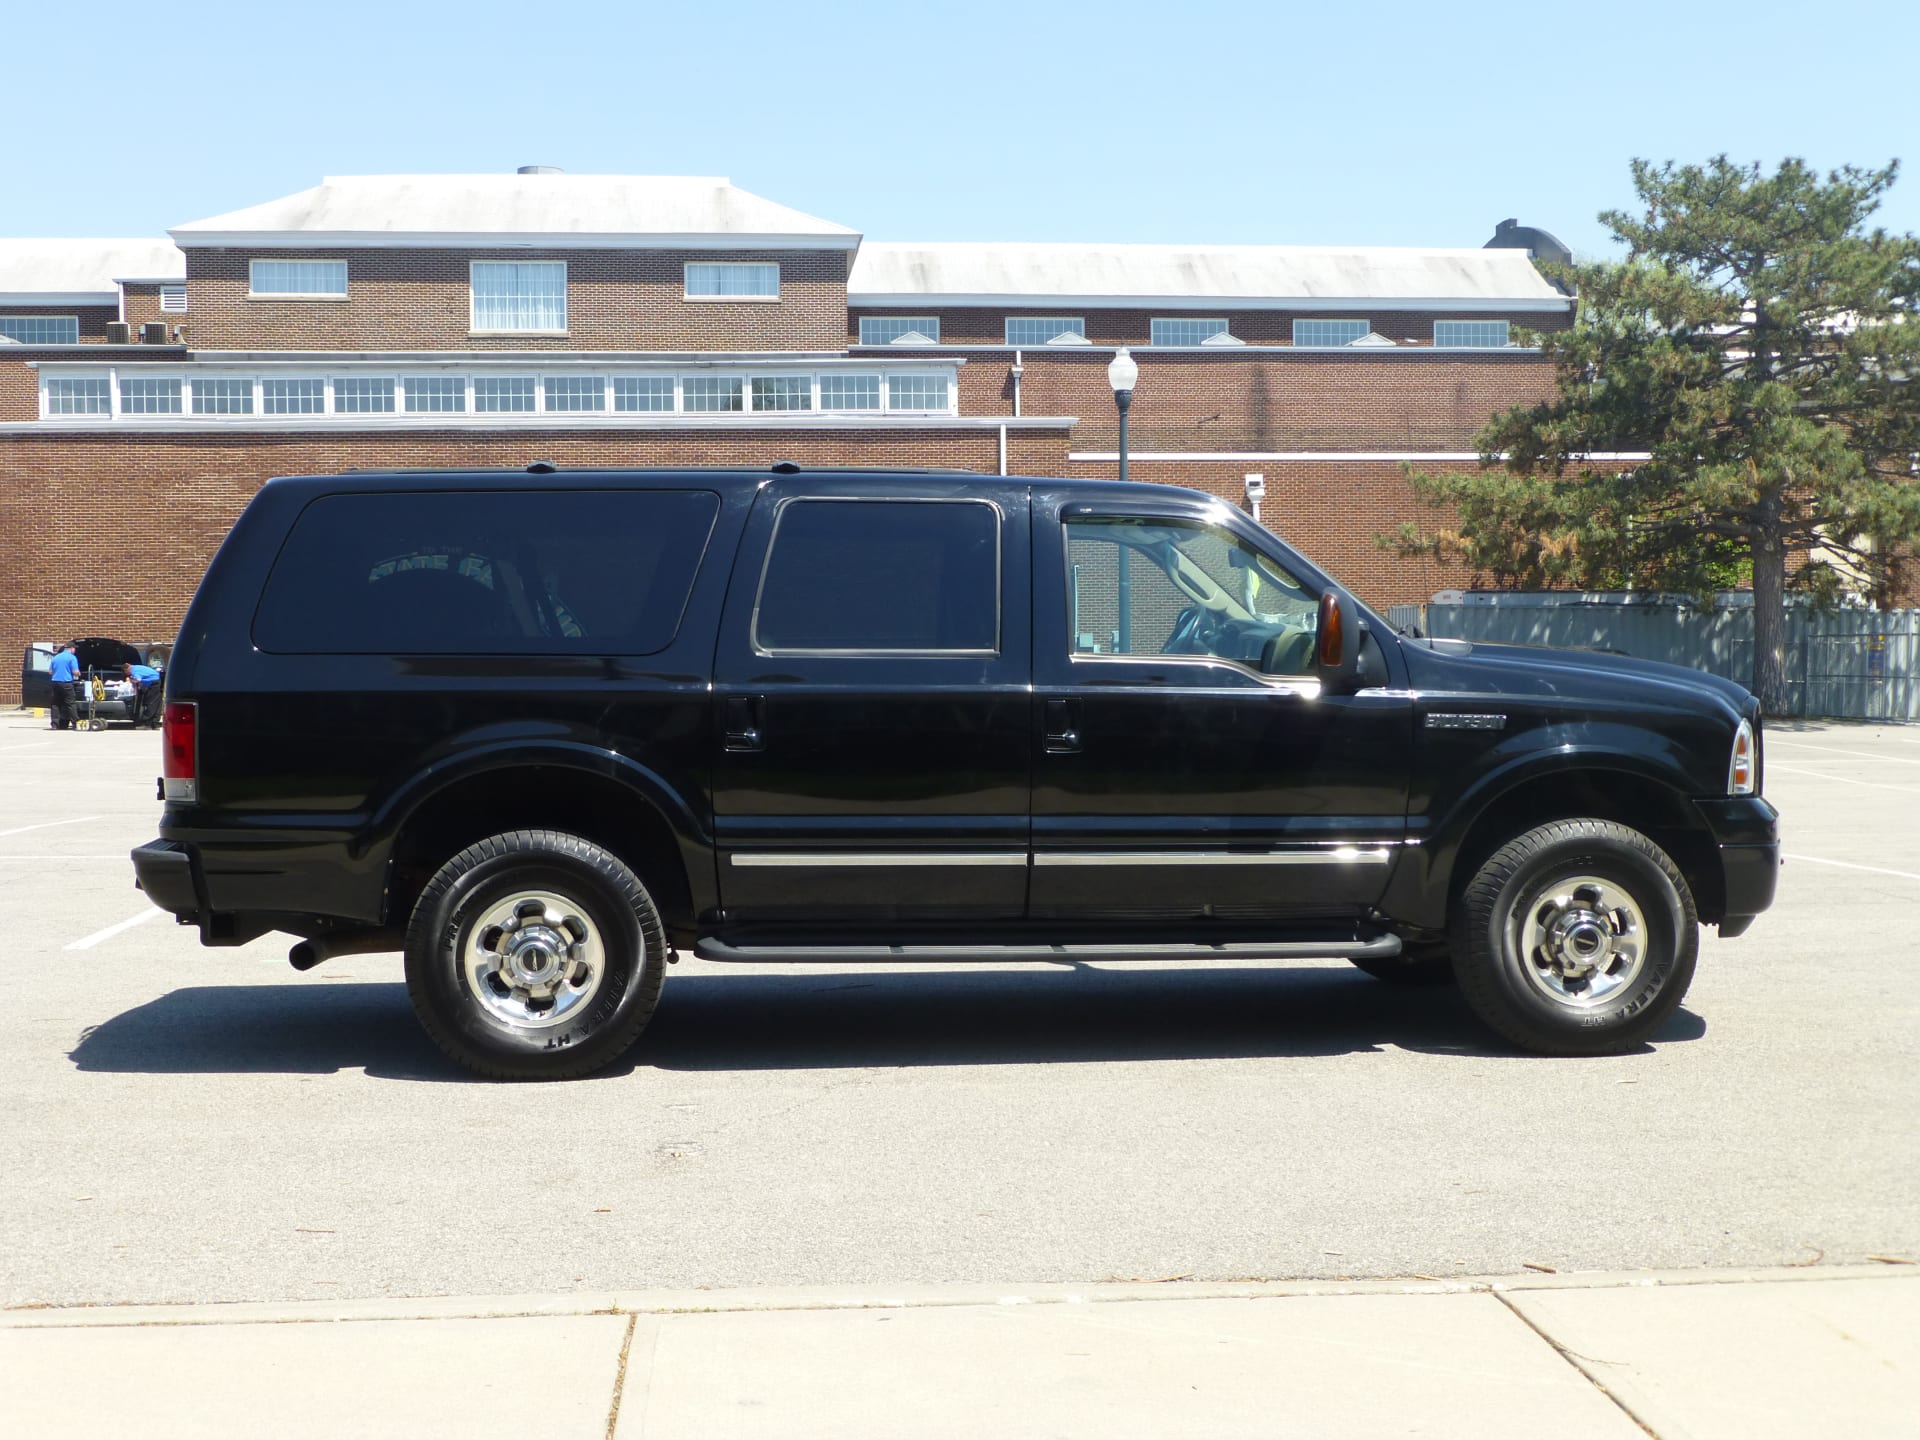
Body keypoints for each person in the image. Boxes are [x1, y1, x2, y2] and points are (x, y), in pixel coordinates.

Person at [48, 642, 80, 731]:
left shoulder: (56, 657)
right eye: (75, 649)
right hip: (66, 683)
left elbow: (50, 672)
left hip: (55, 683)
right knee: (70, 703)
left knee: (55, 704)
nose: (75, 650)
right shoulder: (72, 658)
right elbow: (75, 672)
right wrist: (79, 673)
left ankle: (55, 724)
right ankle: (75, 723)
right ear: (71, 648)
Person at [125, 660, 163, 728]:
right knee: (157, 702)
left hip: (153, 683)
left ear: (127, 670)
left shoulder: (133, 671)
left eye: (126, 672)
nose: (128, 674)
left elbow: (138, 679)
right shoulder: (136, 667)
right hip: (156, 680)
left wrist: (132, 680)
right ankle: (155, 722)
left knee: (150, 702)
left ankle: (146, 723)